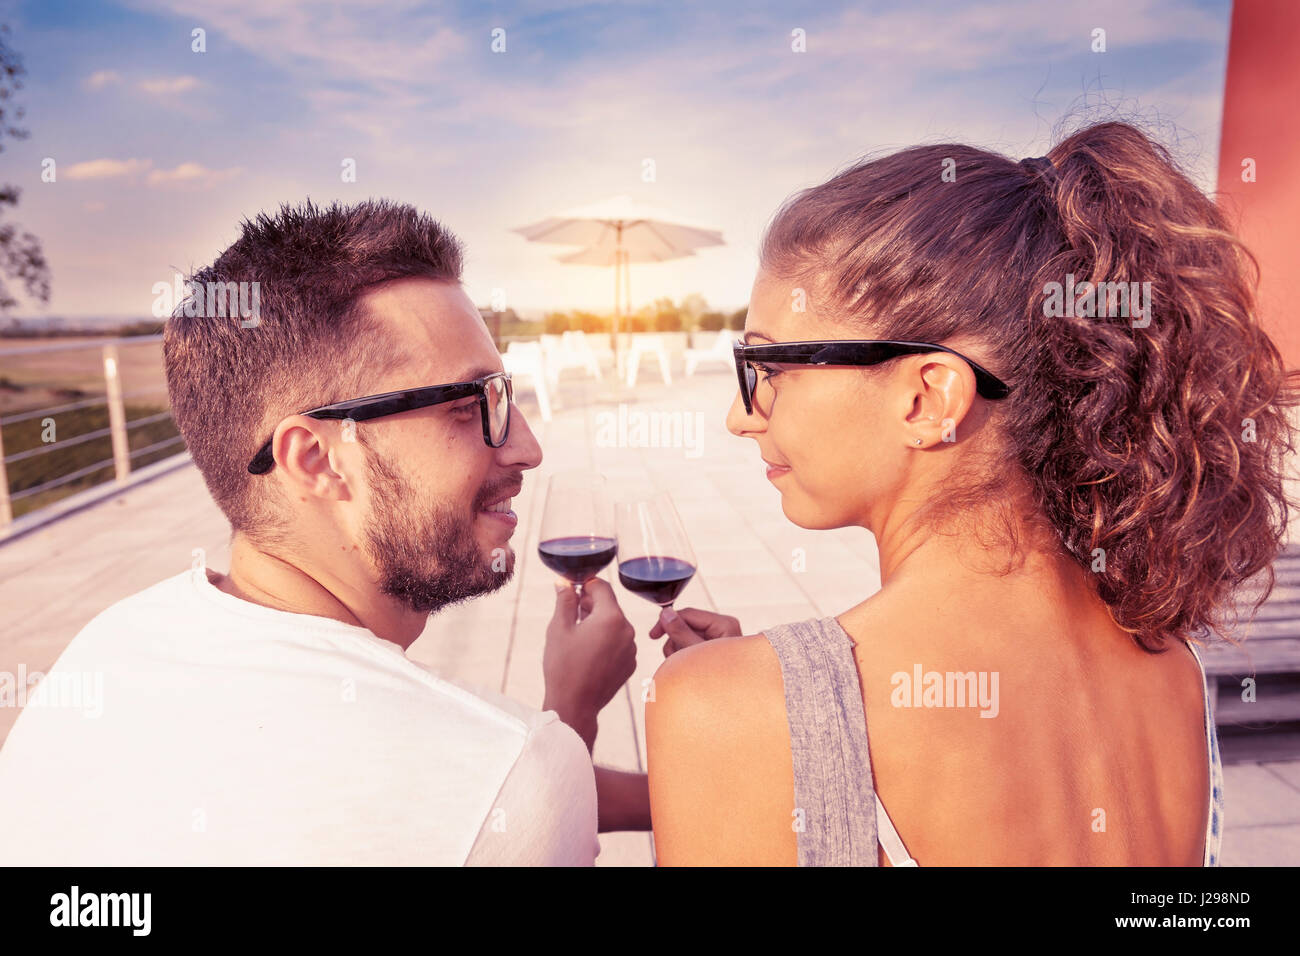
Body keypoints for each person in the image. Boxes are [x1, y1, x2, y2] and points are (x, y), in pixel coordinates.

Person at [645, 121, 1299, 866]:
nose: (740, 415)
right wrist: (773, 701)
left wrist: (756, 707)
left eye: (768, 366)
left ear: (929, 398)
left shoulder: (721, 710)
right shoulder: (1169, 667)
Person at [0, 199, 650, 865]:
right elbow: (492, 805)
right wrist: (564, 728)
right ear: (316, 461)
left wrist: (555, 748)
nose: (527, 448)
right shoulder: (504, 772)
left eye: (504, 396)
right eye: (467, 406)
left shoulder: (109, 644)